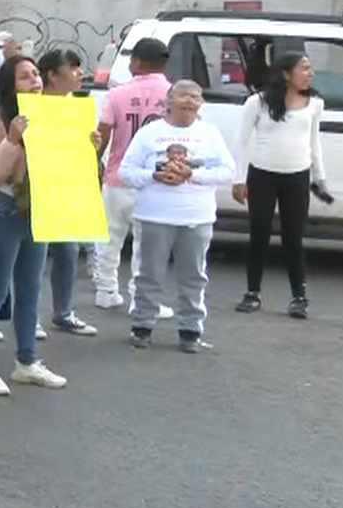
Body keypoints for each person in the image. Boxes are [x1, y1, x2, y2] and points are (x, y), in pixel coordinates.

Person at [0, 55, 67, 396]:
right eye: (25, 76)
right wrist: (11, 140)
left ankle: (27, 361)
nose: (35, 81)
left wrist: (89, 148)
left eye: (36, 74)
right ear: (9, 86)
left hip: (38, 209)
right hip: (3, 210)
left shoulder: (54, 116)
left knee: (30, 289)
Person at [120, 81, 236, 352]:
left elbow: (228, 171)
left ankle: (190, 331)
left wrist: (192, 175)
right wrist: (154, 175)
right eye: (183, 95)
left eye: (196, 97)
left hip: (196, 217)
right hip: (154, 216)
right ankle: (142, 326)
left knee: (193, 276)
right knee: (148, 274)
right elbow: (126, 172)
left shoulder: (209, 134)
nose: (190, 101)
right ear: (168, 101)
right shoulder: (149, 133)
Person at [234, 53, 329, 318]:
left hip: (297, 176)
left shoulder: (315, 103)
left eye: (310, 68)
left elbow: (314, 142)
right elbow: (241, 141)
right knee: (259, 234)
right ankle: (252, 292)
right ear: (286, 74)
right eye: (304, 68)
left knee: (294, 238)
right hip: (262, 175)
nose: (310, 73)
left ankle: (299, 296)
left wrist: (319, 177)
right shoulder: (258, 102)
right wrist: (238, 179)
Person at [91, 37, 173, 311]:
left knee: (109, 238)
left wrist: (94, 166)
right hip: (155, 182)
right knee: (146, 244)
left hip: (118, 177)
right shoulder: (174, 95)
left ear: (136, 62)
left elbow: (102, 135)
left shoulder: (117, 94)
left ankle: (106, 291)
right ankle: (140, 297)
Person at [36, 48, 100, 338]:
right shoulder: (33, 106)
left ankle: (63, 312)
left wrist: (92, 145)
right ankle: (30, 317)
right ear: (52, 75)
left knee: (68, 251)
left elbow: (84, 154)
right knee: (35, 257)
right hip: (38, 188)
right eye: (72, 68)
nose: (80, 73)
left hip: (67, 189)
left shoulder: (78, 107)